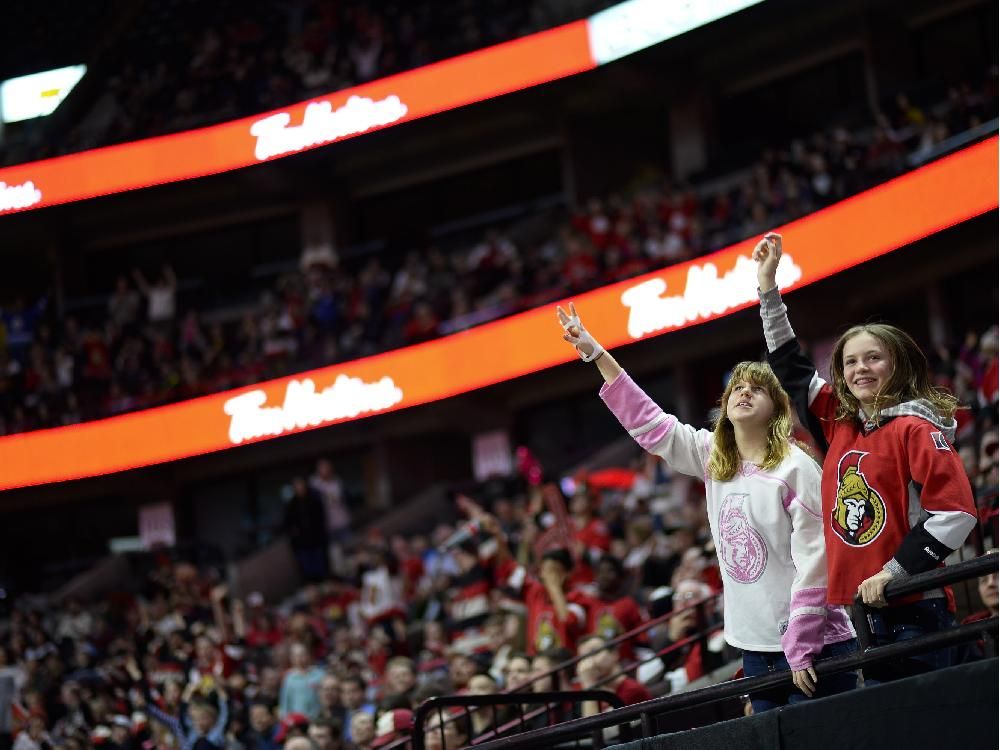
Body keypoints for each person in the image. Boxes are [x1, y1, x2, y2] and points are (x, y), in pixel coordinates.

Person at [557, 303, 856, 712]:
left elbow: (816, 559)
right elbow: (650, 424)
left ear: (778, 409)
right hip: (755, 649)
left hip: (817, 644)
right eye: (737, 388)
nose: (744, 392)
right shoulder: (715, 459)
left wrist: (801, 646)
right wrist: (597, 354)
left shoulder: (796, 467)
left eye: (757, 388)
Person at [754, 232, 978, 681]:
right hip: (864, 613)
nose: (860, 369)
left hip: (915, 606)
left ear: (896, 366)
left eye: (873, 358)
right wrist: (767, 288)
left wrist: (894, 572)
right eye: (851, 362)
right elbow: (790, 366)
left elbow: (956, 513)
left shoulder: (915, 427)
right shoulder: (841, 419)